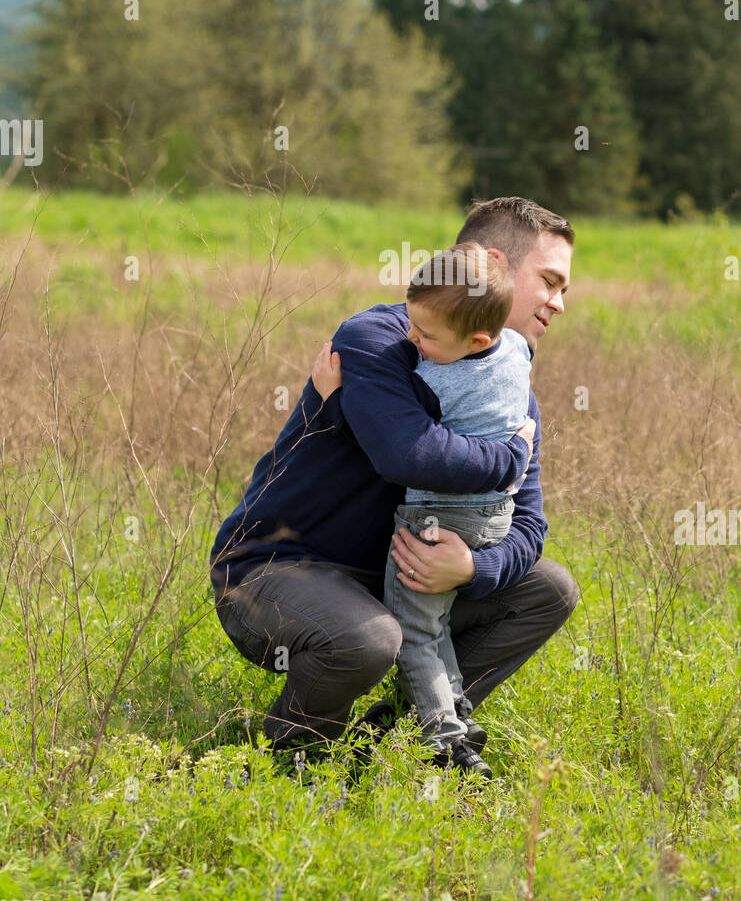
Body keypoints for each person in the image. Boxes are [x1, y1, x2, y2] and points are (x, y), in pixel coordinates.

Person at [210, 196, 579, 776]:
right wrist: (509, 456)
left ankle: (389, 740)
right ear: (489, 262)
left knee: (549, 589)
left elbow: (529, 522)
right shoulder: (378, 340)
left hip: (393, 576)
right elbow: (408, 456)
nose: (559, 303)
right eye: (550, 281)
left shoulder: (507, 387)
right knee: (369, 638)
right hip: (281, 568)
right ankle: (291, 754)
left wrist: (471, 571)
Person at [315, 241, 533, 779]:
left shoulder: (430, 378)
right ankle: (456, 711)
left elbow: (402, 448)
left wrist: (338, 399)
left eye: (426, 335)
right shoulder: (517, 353)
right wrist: (515, 455)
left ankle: (443, 738)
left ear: (477, 339)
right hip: (491, 520)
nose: (412, 340)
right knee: (433, 622)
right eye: (412, 325)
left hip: (436, 519)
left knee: (414, 630)